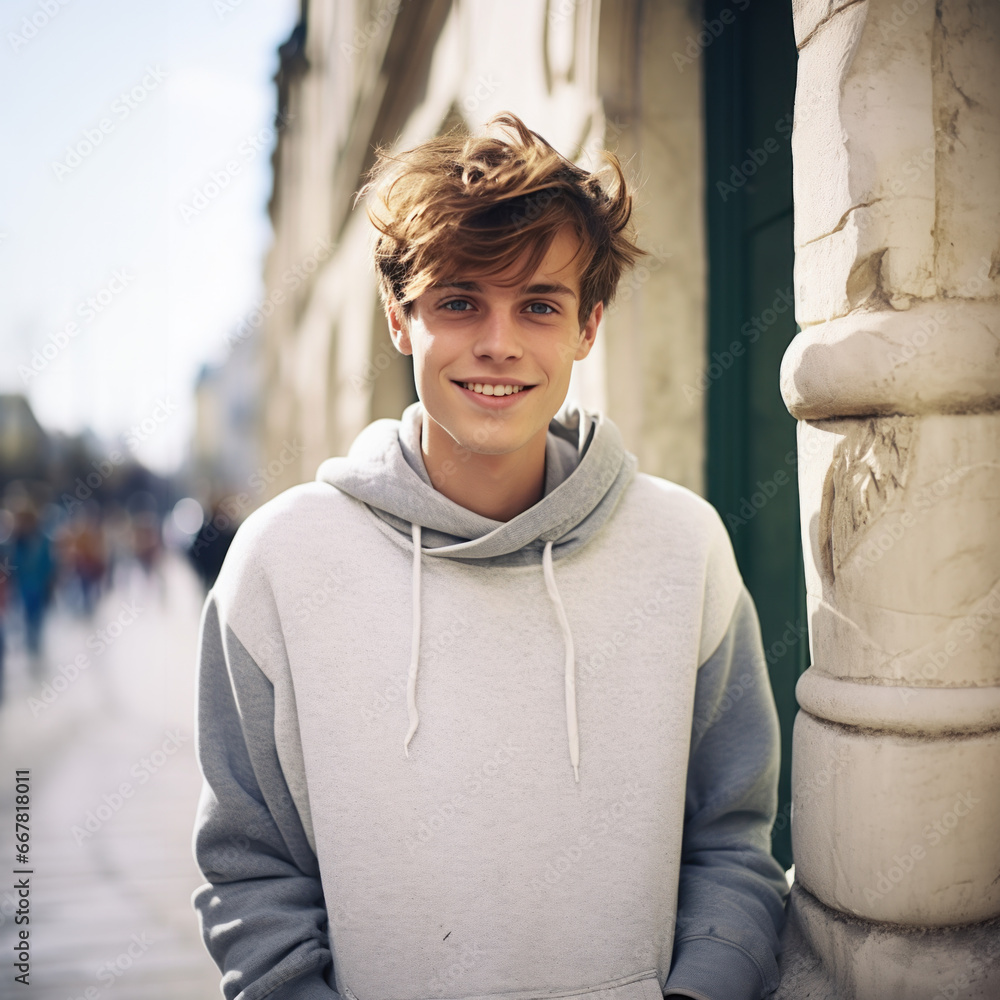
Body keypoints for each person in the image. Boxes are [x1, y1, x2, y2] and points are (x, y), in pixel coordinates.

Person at [192, 112, 789, 1000]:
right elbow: (251, 871)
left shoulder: (684, 547)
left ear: (587, 327)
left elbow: (733, 842)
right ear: (401, 319)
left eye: (539, 305)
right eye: (460, 300)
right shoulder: (280, 562)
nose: (500, 341)